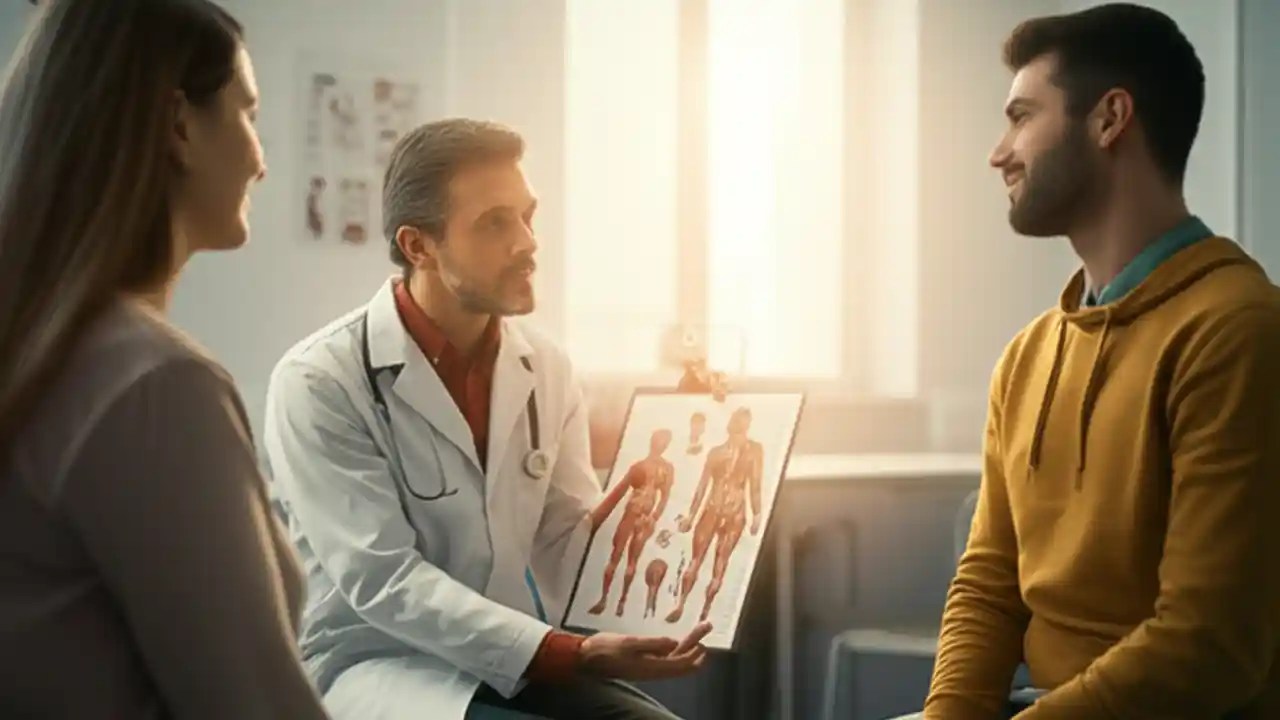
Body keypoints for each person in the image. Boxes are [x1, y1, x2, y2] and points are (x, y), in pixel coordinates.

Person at [262, 118, 710, 720]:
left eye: (527, 216)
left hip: (506, 662)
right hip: (376, 669)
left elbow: (565, 545)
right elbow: (384, 581)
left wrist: (667, 501)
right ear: (419, 246)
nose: (527, 243)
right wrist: (570, 652)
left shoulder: (545, 367)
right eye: (495, 223)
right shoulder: (320, 381)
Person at [903, 4, 1280, 719]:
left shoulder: (1238, 331)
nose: (999, 152)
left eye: (1022, 117)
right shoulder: (1027, 355)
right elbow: (989, 587)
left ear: (1109, 119)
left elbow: (1210, 646)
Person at [0, 1, 330, 718]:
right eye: (248, 115)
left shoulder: (44, 353)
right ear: (178, 125)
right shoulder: (154, 386)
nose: (261, 161)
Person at [666, 407, 763, 625]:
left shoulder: (723, 452)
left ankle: (689, 605)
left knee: (702, 561)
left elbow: (704, 487)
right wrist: (756, 513)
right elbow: (754, 485)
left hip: (718, 507)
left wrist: (691, 516)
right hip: (731, 510)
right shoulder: (745, 451)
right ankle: (701, 609)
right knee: (717, 562)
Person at [587, 429, 676, 617]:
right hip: (632, 514)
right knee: (616, 556)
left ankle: (621, 601)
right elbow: (619, 492)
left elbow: (665, 496)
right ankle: (605, 599)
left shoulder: (665, 468)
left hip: (644, 517)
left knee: (631, 560)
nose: (661, 444)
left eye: (664, 441)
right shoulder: (639, 466)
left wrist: (654, 517)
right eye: (659, 440)